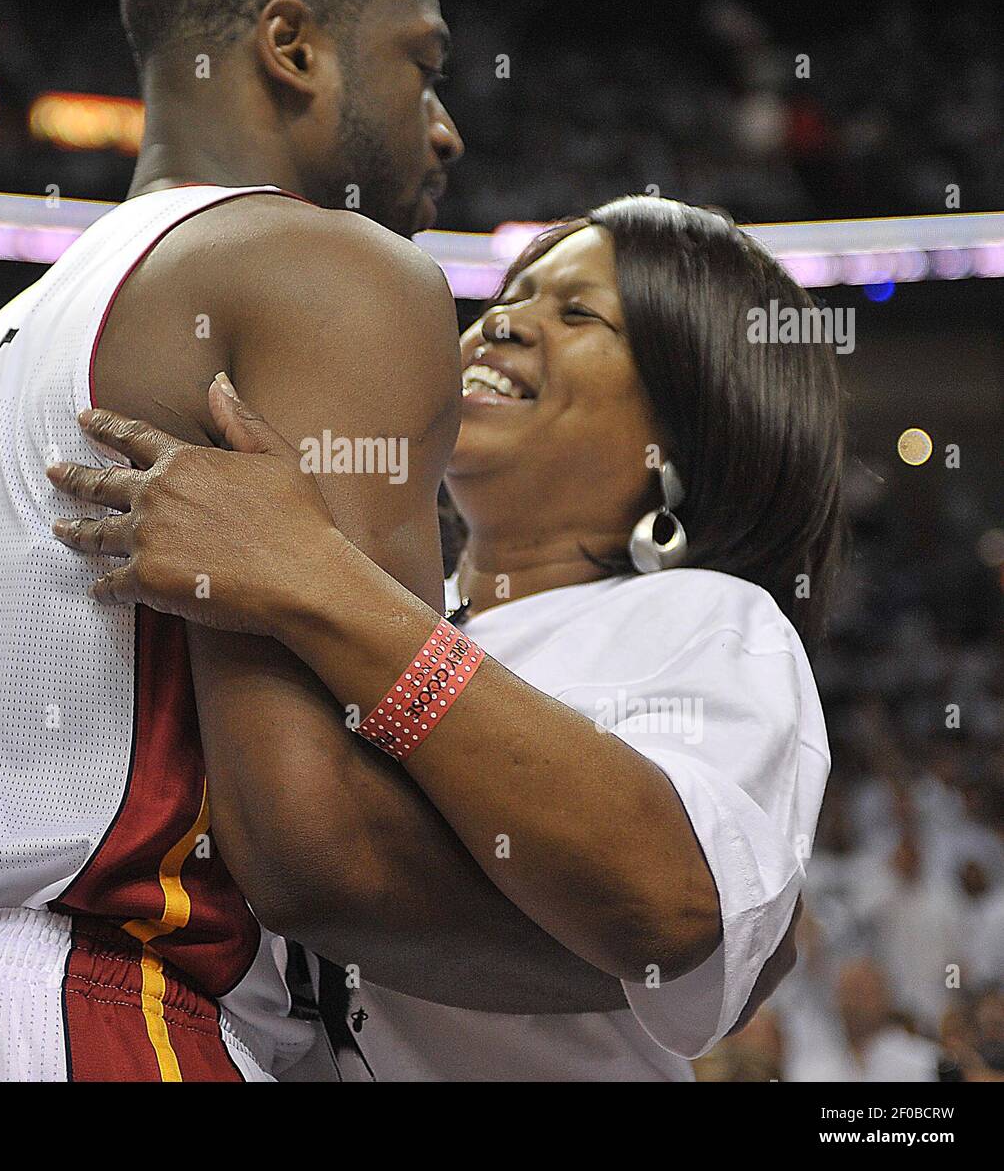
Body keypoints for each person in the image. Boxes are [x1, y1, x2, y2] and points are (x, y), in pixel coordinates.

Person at [0, 0, 623, 1083]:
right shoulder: (328, 265)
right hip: (82, 1010)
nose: (448, 126)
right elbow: (327, 848)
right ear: (293, 47)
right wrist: (640, 968)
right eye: (424, 65)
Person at [47, 196, 842, 1079]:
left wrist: (315, 577)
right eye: (511, 293)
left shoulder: (713, 617)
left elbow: (673, 904)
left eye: (577, 313)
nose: (505, 319)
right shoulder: (401, 596)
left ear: (688, 423)